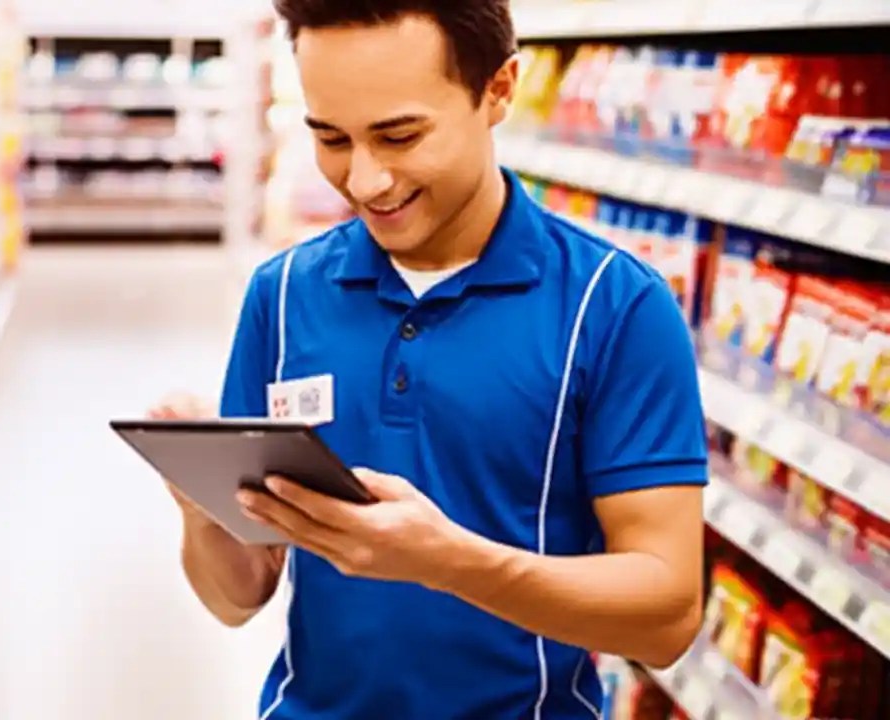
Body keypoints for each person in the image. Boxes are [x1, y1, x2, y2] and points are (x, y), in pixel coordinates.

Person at [149, 1, 708, 718]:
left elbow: (666, 617)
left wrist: (448, 562)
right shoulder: (283, 295)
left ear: (499, 89)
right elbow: (239, 595)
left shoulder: (614, 306)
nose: (365, 181)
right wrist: (202, 513)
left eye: (400, 135)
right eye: (331, 138)